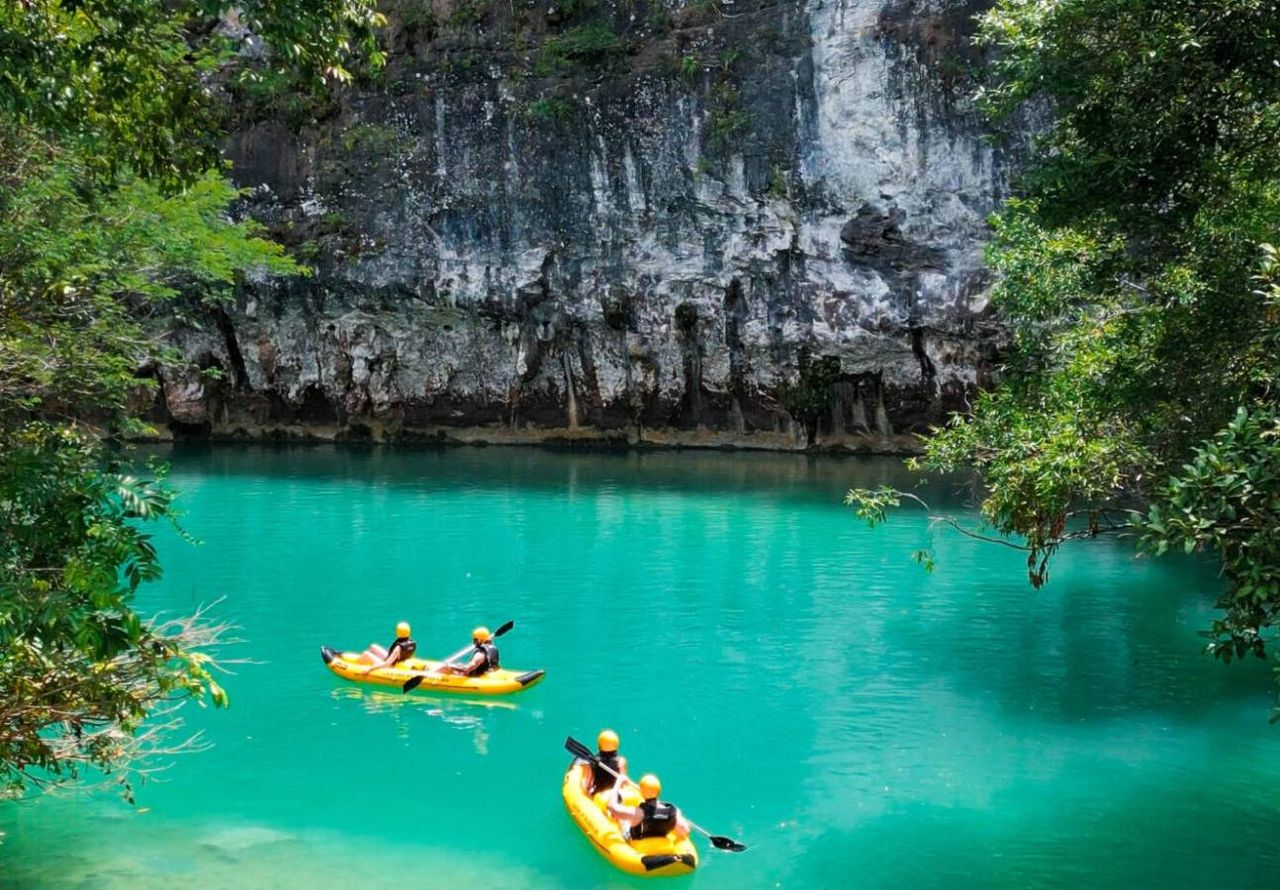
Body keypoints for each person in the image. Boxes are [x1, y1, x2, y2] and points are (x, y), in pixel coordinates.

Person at [608, 774, 690, 841]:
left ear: (641, 792)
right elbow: (685, 830)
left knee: (622, 818)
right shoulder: (674, 811)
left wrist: (618, 782)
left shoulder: (637, 813)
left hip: (637, 839)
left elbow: (611, 807)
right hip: (661, 840)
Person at [579, 729, 629, 798]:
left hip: (599, 797)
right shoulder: (621, 761)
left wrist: (587, 793)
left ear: (599, 744)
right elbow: (623, 783)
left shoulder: (592, 761)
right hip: (615, 797)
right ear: (616, 744)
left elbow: (587, 783)